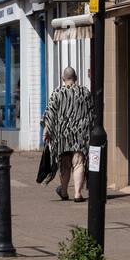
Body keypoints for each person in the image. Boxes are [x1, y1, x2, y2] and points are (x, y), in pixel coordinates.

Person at [44, 67, 93, 202]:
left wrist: (46, 131)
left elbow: (50, 115)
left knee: (64, 164)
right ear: (76, 78)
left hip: (62, 135)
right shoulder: (85, 92)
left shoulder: (57, 93)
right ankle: (78, 194)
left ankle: (64, 192)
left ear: (62, 78)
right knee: (78, 162)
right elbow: (92, 112)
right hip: (80, 134)